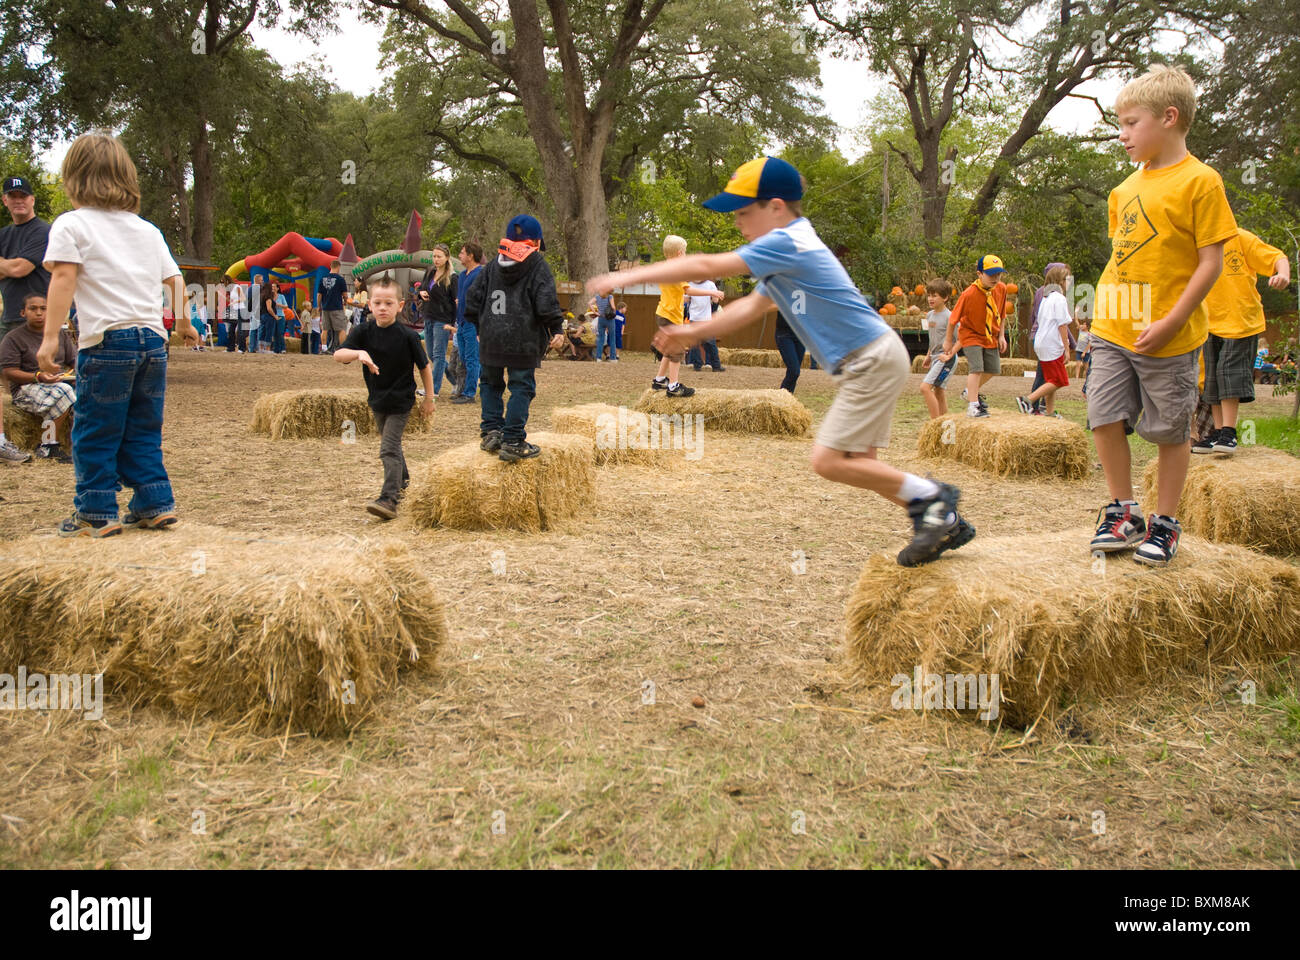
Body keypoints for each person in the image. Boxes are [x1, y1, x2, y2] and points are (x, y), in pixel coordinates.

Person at [588, 155, 973, 567]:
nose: (738, 222)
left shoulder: (789, 240)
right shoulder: (787, 252)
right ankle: (941, 517)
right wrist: (692, 332)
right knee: (861, 466)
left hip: (870, 360)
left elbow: (707, 264)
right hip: (876, 357)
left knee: (827, 461)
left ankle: (934, 500)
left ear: (775, 207)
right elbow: (751, 307)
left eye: (743, 212)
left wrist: (623, 278)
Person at [1086, 65, 1238, 567]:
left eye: (1130, 123)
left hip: (1169, 336)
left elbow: (1210, 262)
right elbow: (1123, 257)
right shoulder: (1123, 189)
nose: (1122, 135)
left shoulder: (1201, 181)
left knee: (1170, 429)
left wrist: (1173, 319)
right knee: (1104, 415)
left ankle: (1165, 522)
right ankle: (1124, 509)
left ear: (1169, 117)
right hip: (1113, 326)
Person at [38, 133, 198, 536]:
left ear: (73, 179)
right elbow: (174, 279)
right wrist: (182, 323)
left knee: (96, 426)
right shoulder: (145, 230)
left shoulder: (71, 225)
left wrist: (50, 337)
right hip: (151, 343)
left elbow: (62, 277)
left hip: (107, 341)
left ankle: (96, 510)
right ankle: (154, 502)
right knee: (143, 427)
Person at [464, 214, 566, 461]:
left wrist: (480, 327)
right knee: (521, 386)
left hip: (490, 337)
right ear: (537, 242)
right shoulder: (537, 265)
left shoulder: (490, 267)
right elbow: (545, 302)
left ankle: (491, 431)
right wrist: (557, 329)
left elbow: (472, 300)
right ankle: (512, 439)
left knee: (490, 384)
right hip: (523, 339)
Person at [334, 275, 434, 520]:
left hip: (401, 401)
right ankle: (406, 484)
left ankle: (389, 499)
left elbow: (425, 367)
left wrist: (429, 398)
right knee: (394, 448)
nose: (382, 308)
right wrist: (359, 354)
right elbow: (339, 354)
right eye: (377, 302)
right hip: (378, 400)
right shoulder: (363, 331)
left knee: (388, 449)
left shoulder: (408, 336)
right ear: (370, 304)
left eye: (388, 303)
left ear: (400, 306)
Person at [1191, 228, 1291, 455]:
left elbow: (1277, 257)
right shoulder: (1196, 243)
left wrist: (1283, 274)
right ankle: (1217, 432)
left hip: (1240, 321)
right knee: (1212, 378)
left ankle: (1229, 431)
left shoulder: (1240, 238)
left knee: (1229, 372)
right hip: (1208, 323)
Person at [0, 291, 74, 461]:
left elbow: (73, 361)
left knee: (81, 392)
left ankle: (71, 444)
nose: (39, 313)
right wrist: (38, 376)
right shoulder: (13, 338)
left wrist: (77, 373)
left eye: (43, 308)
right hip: (25, 388)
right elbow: (9, 372)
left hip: (58, 384)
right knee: (65, 392)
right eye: (33, 309)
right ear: (23, 313)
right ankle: (48, 444)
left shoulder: (60, 334)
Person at [649, 236, 726, 398]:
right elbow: (688, 290)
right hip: (671, 316)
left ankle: (659, 379)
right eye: (684, 252)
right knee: (676, 353)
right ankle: (673, 386)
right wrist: (712, 292)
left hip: (662, 313)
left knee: (669, 351)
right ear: (678, 253)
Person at [940, 255, 1014, 418]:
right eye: (991, 274)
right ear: (979, 274)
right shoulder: (969, 294)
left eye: (998, 274)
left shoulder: (1001, 289)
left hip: (990, 335)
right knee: (977, 368)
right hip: (971, 335)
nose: (995, 278)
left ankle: (969, 392)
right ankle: (973, 406)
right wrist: (947, 341)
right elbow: (953, 319)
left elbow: (1001, 314)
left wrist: (1002, 336)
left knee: (994, 369)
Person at [1016, 264, 1072, 417]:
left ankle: (1049, 411)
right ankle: (1027, 400)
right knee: (1059, 380)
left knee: (1050, 380)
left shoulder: (1046, 299)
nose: (1069, 282)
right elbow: (1062, 326)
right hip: (1052, 344)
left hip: (1042, 342)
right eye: (1067, 279)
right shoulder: (1059, 299)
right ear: (1060, 281)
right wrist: (1067, 349)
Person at [0, 176, 51, 341]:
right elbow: (14, 267)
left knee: (36, 367)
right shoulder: (3, 234)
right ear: (5, 200)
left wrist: (10, 267)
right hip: (8, 317)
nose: (18, 201)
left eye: (23, 196)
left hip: (36, 320)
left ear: (32, 200)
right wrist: (11, 266)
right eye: (13, 197)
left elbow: (20, 268)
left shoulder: (44, 231)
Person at [418, 243, 459, 398]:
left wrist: (453, 322)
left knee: (439, 354)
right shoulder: (429, 271)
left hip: (443, 320)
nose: (436, 259)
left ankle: (433, 389)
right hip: (428, 316)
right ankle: (456, 380)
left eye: (439, 256)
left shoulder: (453, 278)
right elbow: (421, 288)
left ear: (447, 257)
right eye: (434, 256)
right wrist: (420, 292)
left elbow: (456, 301)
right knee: (432, 355)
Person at [452, 242, 485, 405]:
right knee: (464, 357)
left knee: (472, 359)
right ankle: (484, 383)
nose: (459, 255)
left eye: (462, 252)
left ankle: (470, 393)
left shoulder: (481, 274)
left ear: (471, 255)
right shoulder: (463, 275)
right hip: (462, 322)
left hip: (473, 323)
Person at [918, 279, 955, 417]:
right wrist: (928, 355)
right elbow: (932, 338)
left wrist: (949, 355)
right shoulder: (929, 315)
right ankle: (945, 423)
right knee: (939, 390)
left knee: (925, 388)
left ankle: (935, 424)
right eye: (929, 295)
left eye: (934, 296)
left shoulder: (950, 317)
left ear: (945, 297)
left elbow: (960, 340)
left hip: (946, 359)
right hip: (934, 357)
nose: (930, 299)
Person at [685, 278, 725, 370]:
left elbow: (715, 301)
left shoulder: (710, 284)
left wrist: (716, 297)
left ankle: (714, 365)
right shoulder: (689, 284)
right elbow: (686, 299)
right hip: (694, 317)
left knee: (710, 342)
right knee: (697, 343)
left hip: (706, 317)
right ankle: (698, 365)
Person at [316, 259, 349, 354]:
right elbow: (345, 295)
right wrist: (345, 302)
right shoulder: (340, 279)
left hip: (325, 307)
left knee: (325, 329)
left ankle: (323, 348)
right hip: (337, 307)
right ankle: (342, 349)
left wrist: (319, 306)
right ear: (338, 267)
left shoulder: (322, 279)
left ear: (330, 266)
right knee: (341, 328)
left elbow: (319, 295)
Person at [774, 309, 807, 393]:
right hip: (784, 334)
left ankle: (788, 399)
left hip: (800, 335)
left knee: (794, 373)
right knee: (794, 371)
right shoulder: (782, 295)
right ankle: (781, 398)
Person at [594, 289, 619, 362]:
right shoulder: (610, 297)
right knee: (612, 338)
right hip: (609, 319)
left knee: (600, 338)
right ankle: (613, 358)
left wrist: (595, 312)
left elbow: (589, 303)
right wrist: (613, 313)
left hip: (601, 318)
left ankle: (598, 357)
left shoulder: (597, 297)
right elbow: (613, 307)